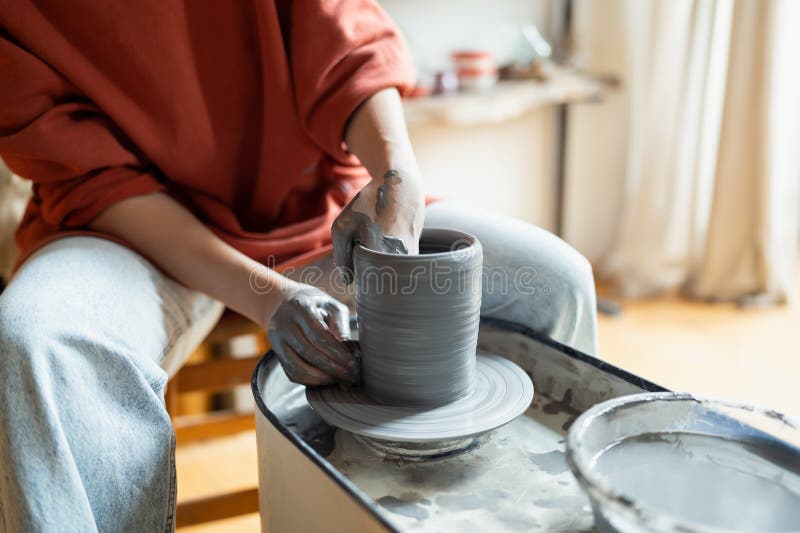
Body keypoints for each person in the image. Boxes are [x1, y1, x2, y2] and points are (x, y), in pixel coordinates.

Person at [0, 1, 597, 531]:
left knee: (554, 283)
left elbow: (347, 47)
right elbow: (86, 170)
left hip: (313, 216)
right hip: (130, 231)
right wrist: (265, 294)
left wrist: (397, 175)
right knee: (35, 342)